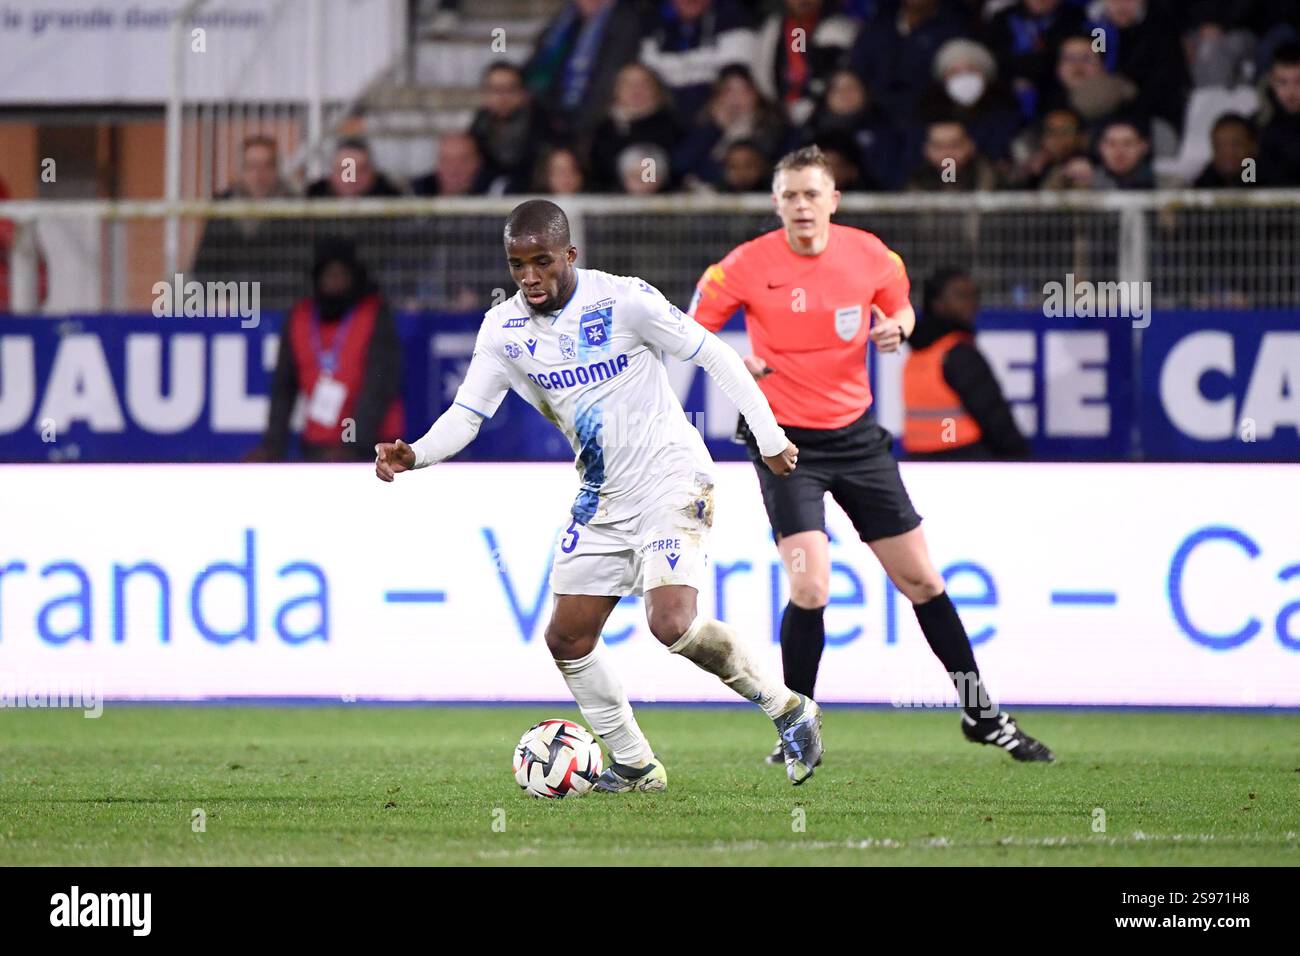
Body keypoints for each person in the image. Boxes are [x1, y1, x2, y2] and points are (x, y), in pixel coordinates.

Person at [373, 199, 824, 790]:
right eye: (518, 265)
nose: (530, 277)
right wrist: (418, 454)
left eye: (542, 262)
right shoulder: (503, 331)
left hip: (671, 478)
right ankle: (636, 766)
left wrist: (769, 436)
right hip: (601, 498)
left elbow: (713, 353)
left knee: (671, 623)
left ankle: (789, 709)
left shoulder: (624, 301)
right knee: (567, 637)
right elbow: (468, 412)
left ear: (570, 255)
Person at [689, 145, 1053, 764]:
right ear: (776, 203)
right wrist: (733, 361)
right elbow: (692, 328)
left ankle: (982, 714)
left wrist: (901, 327)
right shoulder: (745, 265)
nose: (802, 206)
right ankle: (797, 725)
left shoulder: (872, 256)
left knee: (923, 580)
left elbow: (902, 306)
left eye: (812, 194)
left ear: (834, 200)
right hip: (785, 444)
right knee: (811, 587)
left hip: (857, 438)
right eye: (790, 196)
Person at [252, 238, 403, 462]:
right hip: (318, 445)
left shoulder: (374, 314)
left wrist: (352, 444)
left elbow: (378, 387)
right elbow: (283, 388)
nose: (335, 281)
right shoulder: (299, 317)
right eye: (329, 274)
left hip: (372, 447)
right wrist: (273, 445)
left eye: (341, 274)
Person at [902, 268, 1029, 460]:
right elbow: (993, 415)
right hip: (964, 458)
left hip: (919, 459)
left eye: (974, 295)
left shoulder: (917, 354)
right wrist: (1019, 456)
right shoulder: (957, 354)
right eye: (961, 295)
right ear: (938, 303)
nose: (972, 303)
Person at [306, 138, 405, 198]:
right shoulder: (311, 199)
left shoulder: (391, 199)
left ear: (372, 172)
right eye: (344, 171)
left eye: (359, 171)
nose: (351, 180)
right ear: (332, 173)